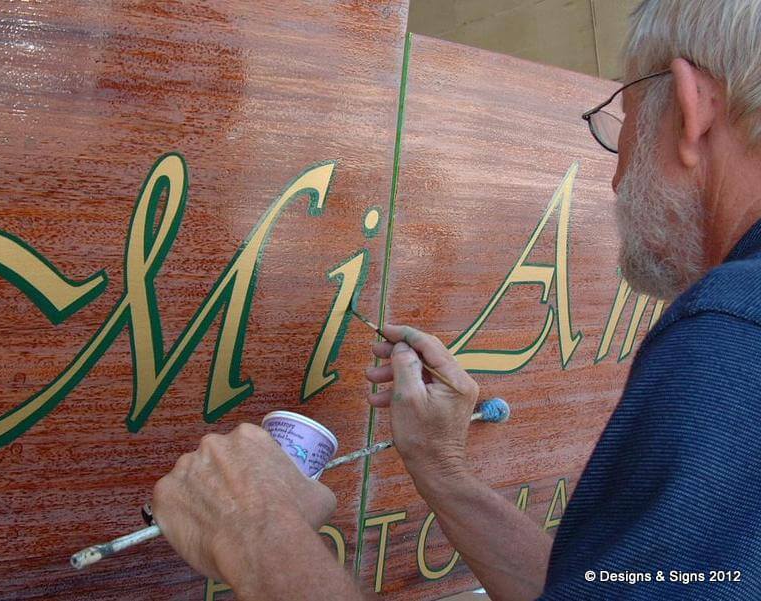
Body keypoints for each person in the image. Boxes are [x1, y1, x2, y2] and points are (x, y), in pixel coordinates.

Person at [151, 1, 761, 598]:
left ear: (691, 110)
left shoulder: (730, 332)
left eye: (622, 128)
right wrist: (440, 467)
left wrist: (259, 537)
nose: (616, 177)